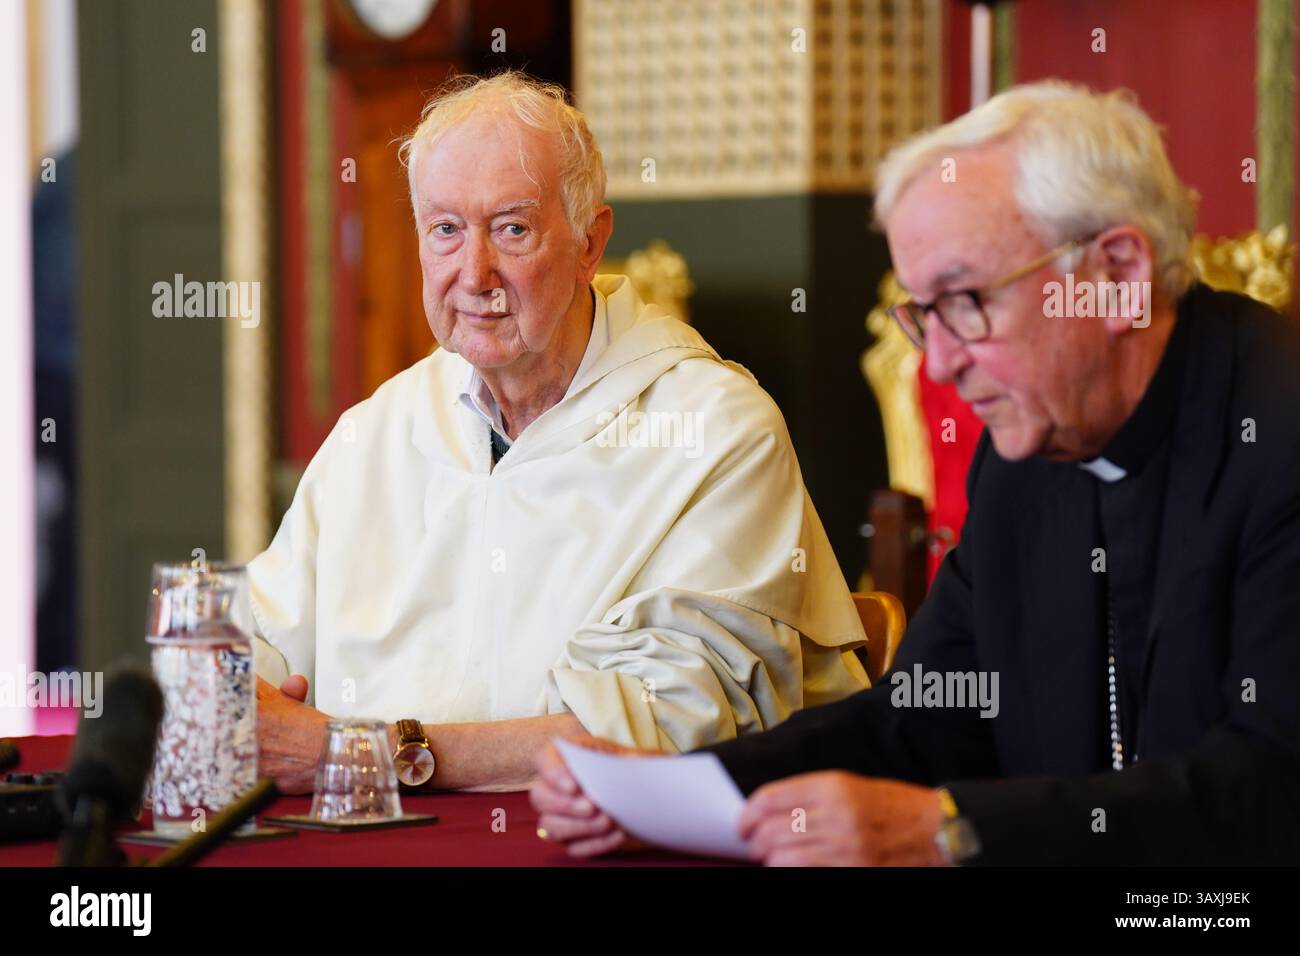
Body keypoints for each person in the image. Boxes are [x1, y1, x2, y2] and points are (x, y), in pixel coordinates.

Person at [531, 81, 1300, 864]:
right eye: (924, 312)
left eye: (967, 301)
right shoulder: (1026, 457)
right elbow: (921, 715)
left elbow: (1269, 786)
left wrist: (949, 830)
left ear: (1118, 273)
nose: (938, 363)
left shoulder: (1278, 430)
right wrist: (680, 791)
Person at [245, 71, 868, 794]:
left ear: (589, 244)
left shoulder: (717, 432)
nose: (473, 273)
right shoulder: (376, 432)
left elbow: (670, 731)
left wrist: (367, 753)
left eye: (512, 229)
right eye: (445, 230)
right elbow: (257, 645)